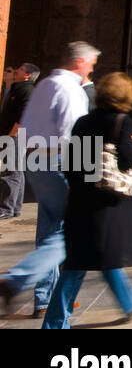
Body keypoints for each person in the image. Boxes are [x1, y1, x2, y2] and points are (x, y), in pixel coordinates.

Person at [41, 72, 132, 329]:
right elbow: (128, 158)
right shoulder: (122, 122)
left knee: (77, 264)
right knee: (102, 258)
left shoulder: (82, 122)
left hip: (81, 202)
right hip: (106, 205)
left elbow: (71, 163)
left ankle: (55, 324)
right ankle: (128, 302)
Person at [0, 42, 99, 317]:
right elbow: (72, 134)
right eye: (90, 63)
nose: (91, 68)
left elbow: (27, 126)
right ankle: (17, 279)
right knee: (72, 231)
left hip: (36, 160)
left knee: (48, 230)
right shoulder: (71, 89)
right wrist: (84, 175)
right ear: (79, 62)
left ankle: (43, 299)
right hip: (59, 161)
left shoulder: (44, 85)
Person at [0, 62, 39, 219]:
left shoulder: (27, 90)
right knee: (17, 170)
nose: (16, 70)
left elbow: (22, 117)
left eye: (21, 69)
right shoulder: (19, 88)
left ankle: (6, 208)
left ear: (27, 75)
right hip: (13, 135)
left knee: (11, 171)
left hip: (15, 136)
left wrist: (11, 135)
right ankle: (15, 208)